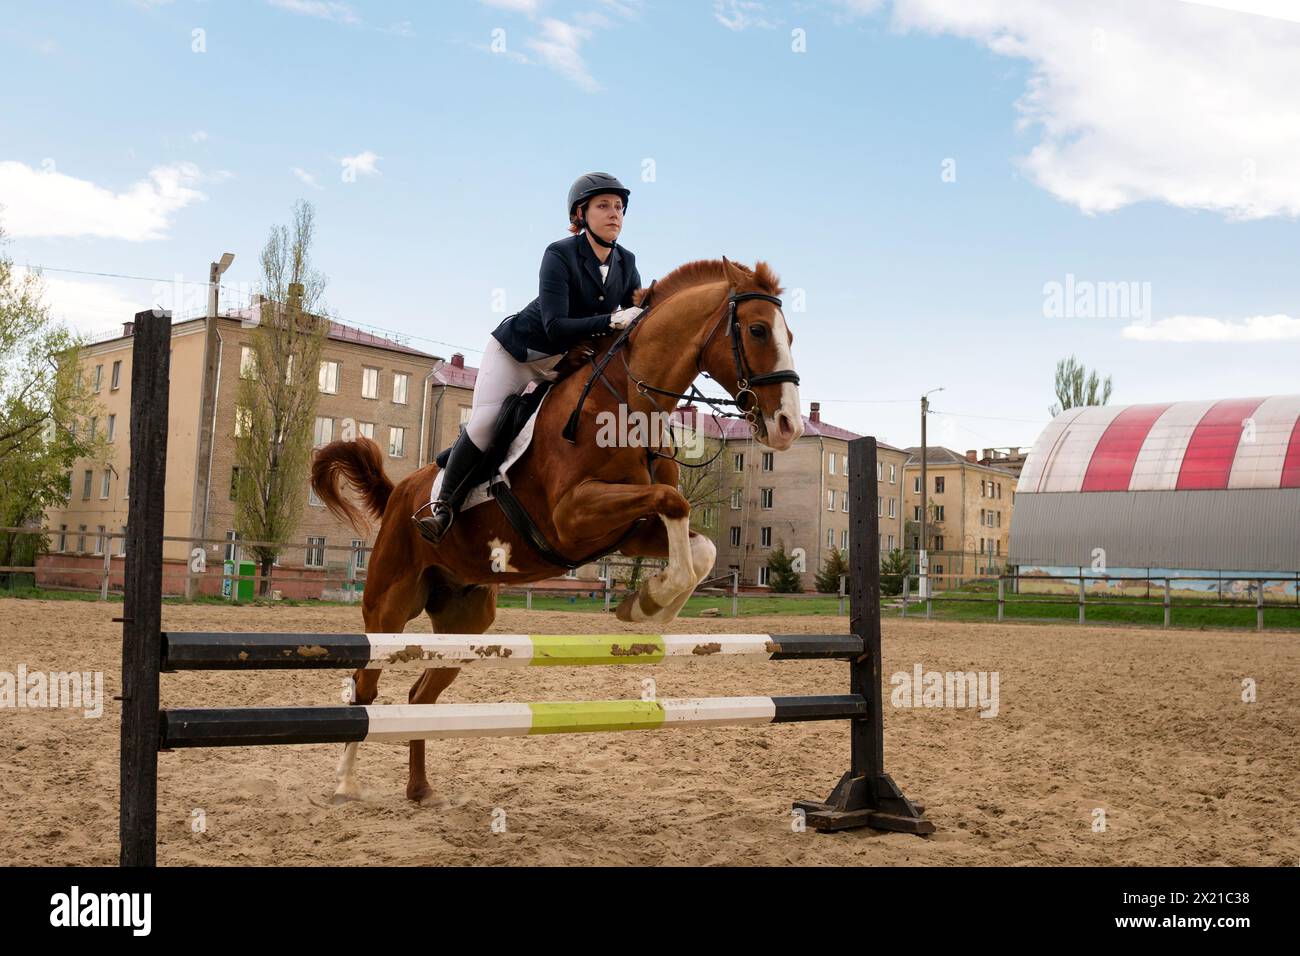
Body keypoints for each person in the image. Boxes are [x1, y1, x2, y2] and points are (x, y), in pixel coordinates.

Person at [414, 172, 645, 545]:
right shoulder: (559, 254)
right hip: (518, 353)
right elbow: (555, 325)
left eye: (619, 207)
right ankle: (442, 507)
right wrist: (613, 319)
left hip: (561, 364)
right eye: (603, 205)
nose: (614, 213)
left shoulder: (626, 261)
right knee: (488, 422)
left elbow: (638, 318)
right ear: (581, 214)